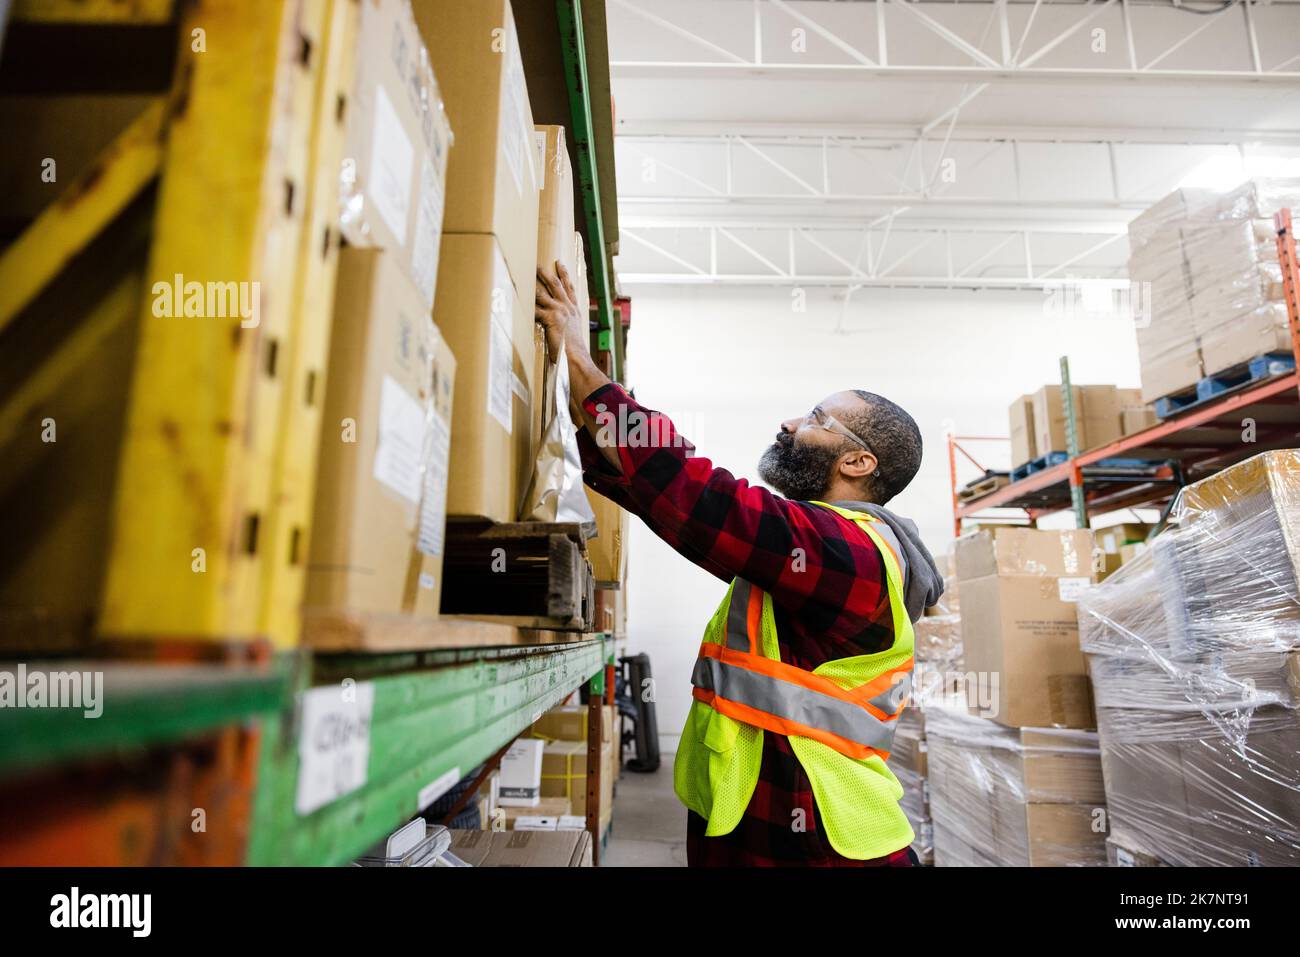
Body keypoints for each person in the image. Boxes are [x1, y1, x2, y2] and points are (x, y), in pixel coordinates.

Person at [536, 263, 943, 867]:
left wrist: (582, 365)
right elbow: (691, 519)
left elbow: (702, 496)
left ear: (857, 462)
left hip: (821, 839)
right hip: (774, 822)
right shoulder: (815, 554)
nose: (789, 423)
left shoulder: (850, 552)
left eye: (814, 418)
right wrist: (590, 414)